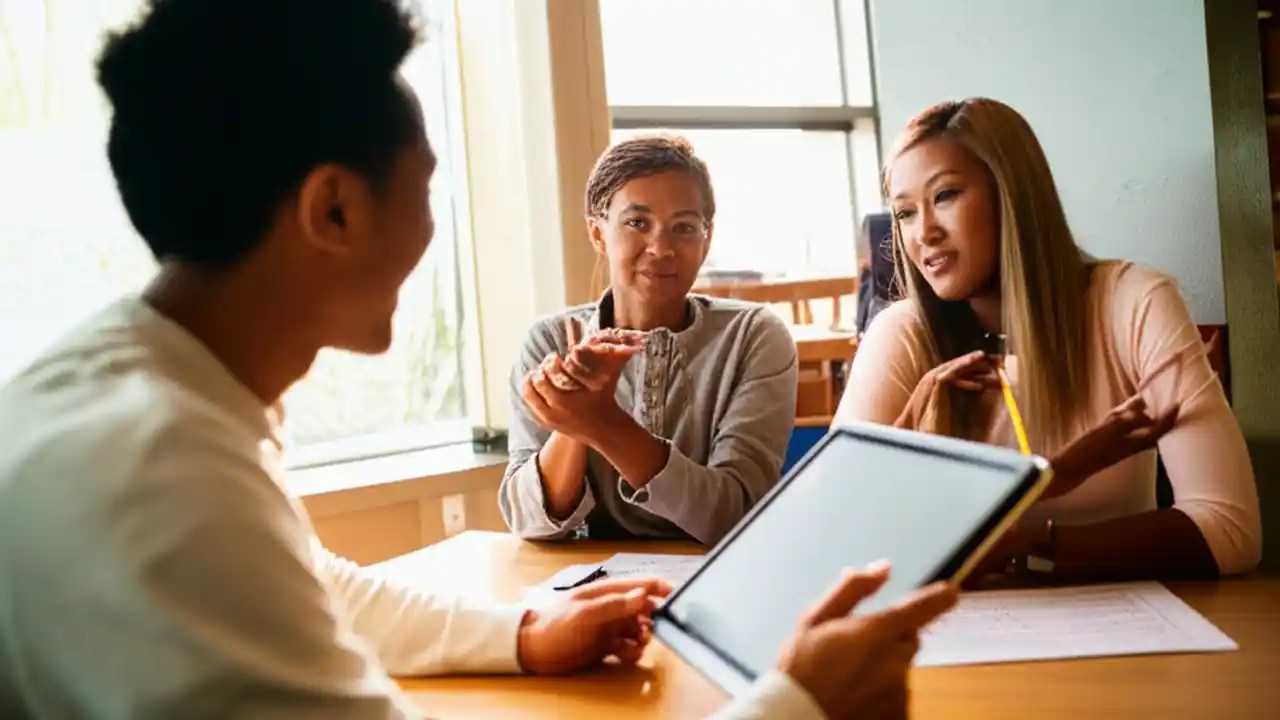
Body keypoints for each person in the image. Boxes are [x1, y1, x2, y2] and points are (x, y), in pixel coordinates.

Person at [0, 1, 956, 717]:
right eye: (425, 187)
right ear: (332, 209)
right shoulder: (158, 478)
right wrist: (799, 704)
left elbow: (314, 583)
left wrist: (526, 632)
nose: (435, 223)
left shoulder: (127, 397)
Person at [836, 97, 1261, 581]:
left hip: (1130, 631)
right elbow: (838, 546)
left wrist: (1022, 548)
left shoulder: (1134, 303)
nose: (924, 233)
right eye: (905, 214)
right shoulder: (901, 334)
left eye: (946, 195)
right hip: (955, 644)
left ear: (1014, 195)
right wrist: (1047, 481)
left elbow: (1230, 530)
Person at [499, 135, 799, 545]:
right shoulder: (550, 341)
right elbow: (528, 520)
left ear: (706, 240)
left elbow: (739, 516)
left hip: (716, 577)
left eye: (684, 228)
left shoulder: (753, 336)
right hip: (587, 583)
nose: (661, 248)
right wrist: (575, 420)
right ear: (598, 234)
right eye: (637, 223)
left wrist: (604, 424)